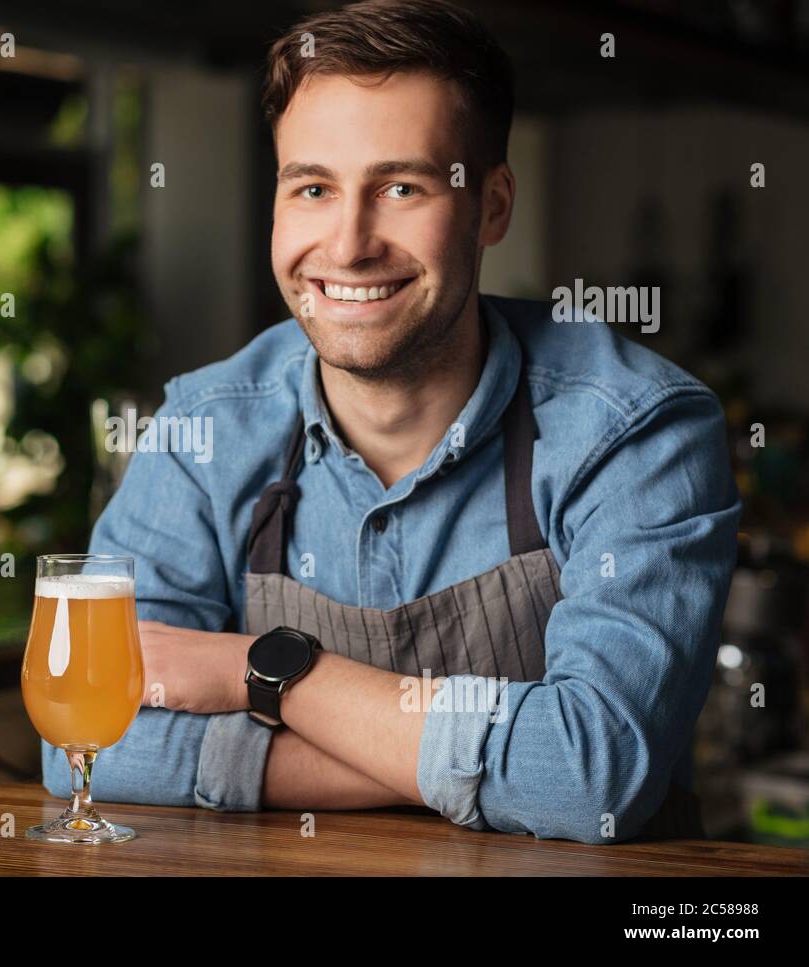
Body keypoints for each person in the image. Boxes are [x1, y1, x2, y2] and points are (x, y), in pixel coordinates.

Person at [41, 0, 741, 844]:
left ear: (491, 206)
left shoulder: (636, 432)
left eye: (401, 187)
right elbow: (87, 740)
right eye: (312, 188)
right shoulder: (207, 428)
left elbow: (589, 775)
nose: (347, 244)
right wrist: (453, 769)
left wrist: (260, 672)